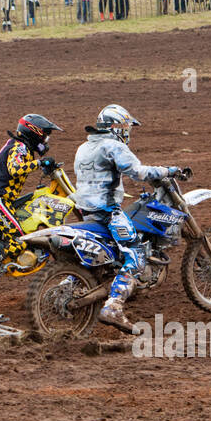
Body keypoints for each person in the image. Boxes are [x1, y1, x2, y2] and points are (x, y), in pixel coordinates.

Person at [73, 104, 184, 331]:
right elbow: (139, 173)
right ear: (115, 127)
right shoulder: (112, 146)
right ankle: (113, 307)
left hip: (85, 211)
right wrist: (167, 170)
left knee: (94, 258)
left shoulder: (84, 146)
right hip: (107, 213)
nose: (127, 132)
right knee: (136, 254)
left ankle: (75, 286)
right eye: (125, 127)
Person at [0, 114, 63, 270]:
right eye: (45, 135)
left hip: (2, 197)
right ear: (35, 132)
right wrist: (40, 163)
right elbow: (15, 169)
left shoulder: (20, 145)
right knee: (18, 240)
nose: (46, 140)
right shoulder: (19, 147)